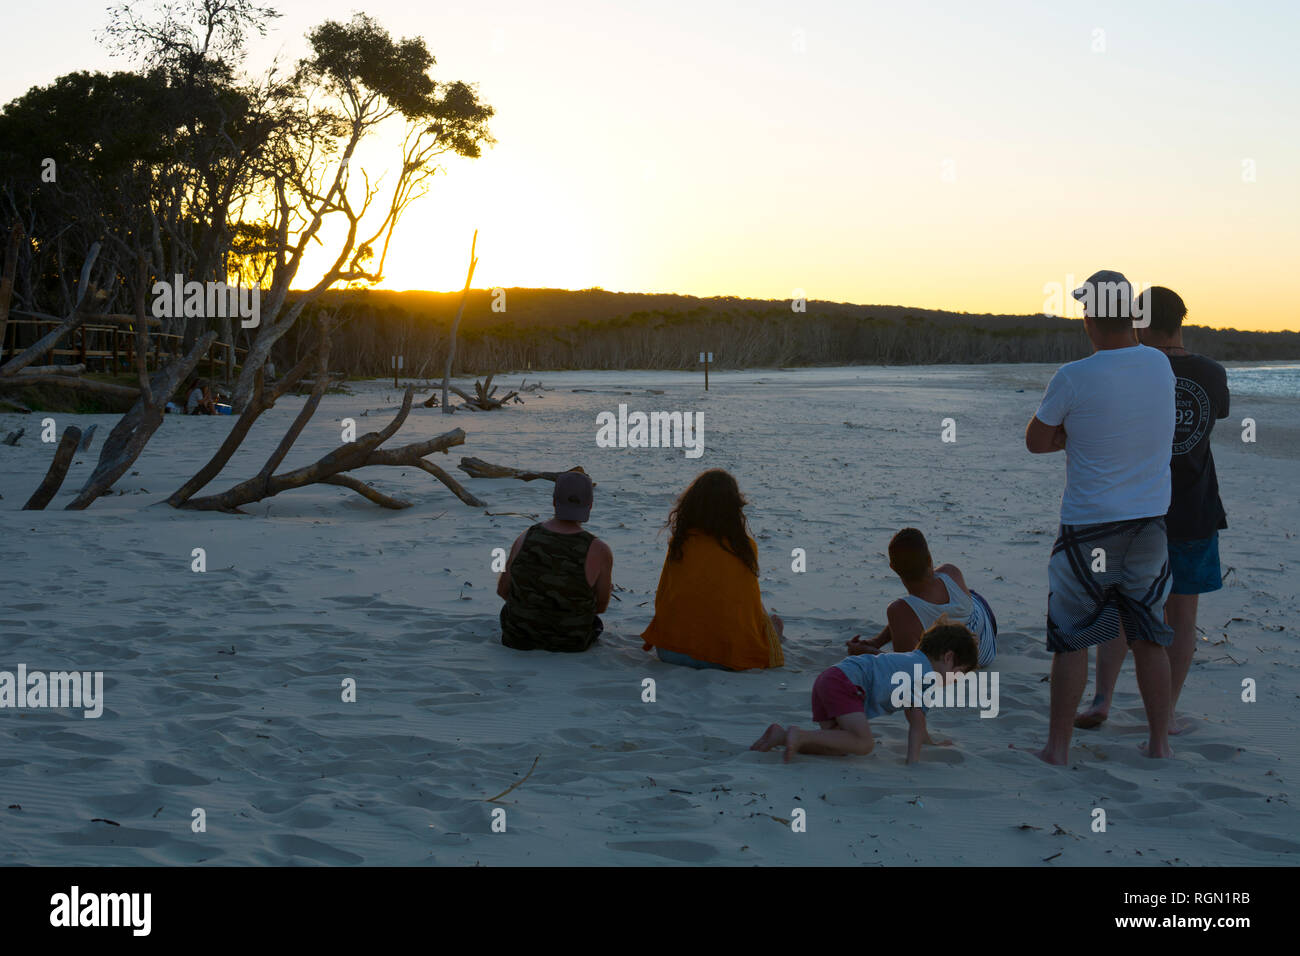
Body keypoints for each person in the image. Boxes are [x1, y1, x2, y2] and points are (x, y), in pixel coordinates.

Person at [1022, 269, 1176, 763]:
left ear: (1088, 317)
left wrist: (1074, 435)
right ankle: (1158, 745)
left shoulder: (1072, 377)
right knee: (1148, 636)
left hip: (1089, 525)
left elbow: (1036, 441)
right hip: (1150, 522)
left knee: (1073, 638)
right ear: (1132, 315)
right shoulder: (1158, 366)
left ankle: (1058, 748)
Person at [1075, 286, 1229, 734]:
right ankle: (1164, 711)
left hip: (1134, 505)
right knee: (1182, 617)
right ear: (1183, 318)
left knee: (1121, 607)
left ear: (1137, 320)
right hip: (1194, 510)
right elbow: (1210, 419)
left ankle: (1102, 699)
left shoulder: (1131, 370)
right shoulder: (1211, 372)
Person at [751, 622, 978, 764]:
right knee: (864, 743)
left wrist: (931, 743)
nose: (955, 681)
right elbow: (916, 724)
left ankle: (781, 736)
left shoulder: (911, 661)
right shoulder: (926, 675)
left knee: (839, 746)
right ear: (948, 658)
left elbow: (917, 721)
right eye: (959, 673)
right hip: (845, 684)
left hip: (830, 678)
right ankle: (799, 735)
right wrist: (913, 762)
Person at [641, 469, 784, 670]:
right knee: (762, 613)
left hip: (671, 652)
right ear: (735, 508)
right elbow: (746, 606)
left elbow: (663, 596)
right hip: (726, 658)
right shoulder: (744, 547)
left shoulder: (681, 543)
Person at [497, 470, 613, 652]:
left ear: (553, 501)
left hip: (518, 638)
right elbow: (601, 606)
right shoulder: (600, 549)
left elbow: (503, 591)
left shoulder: (525, 537)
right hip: (571, 642)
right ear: (590, 505)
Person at [846, 527, 997, 667]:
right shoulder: (951, 571)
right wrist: (876, 642)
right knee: (912, 610)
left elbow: (906, 668)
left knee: (907, 612)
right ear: (930, 559)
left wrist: (867, 653)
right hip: (987, 636)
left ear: (892, 567)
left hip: (962, 662)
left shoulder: (900, 611)